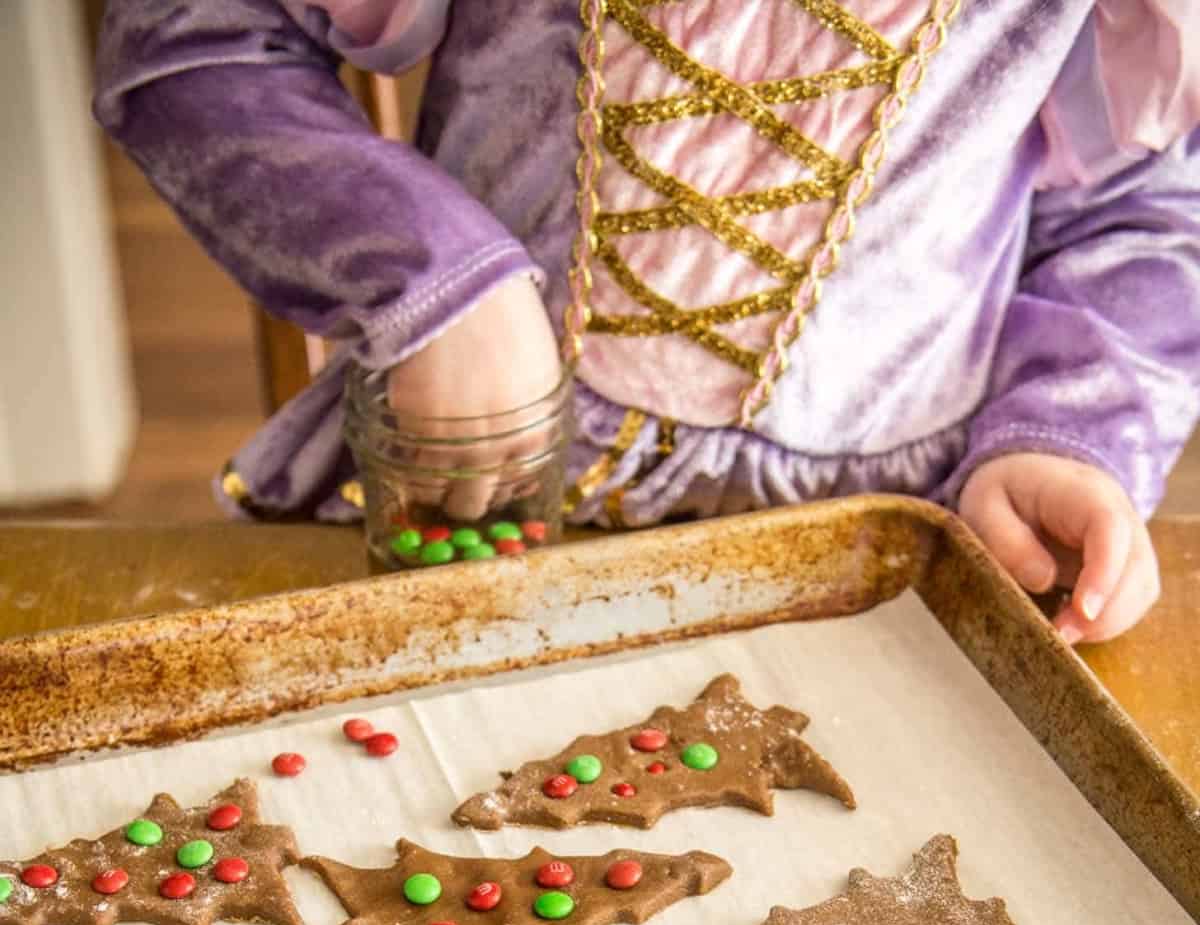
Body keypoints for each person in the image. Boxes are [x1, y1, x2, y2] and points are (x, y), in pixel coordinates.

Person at [95, 1, 1200, 641]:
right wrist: (437, 282)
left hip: (896, 568)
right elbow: (196, 39)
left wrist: (1076, 433)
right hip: (478, 506)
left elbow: (1140, 209)